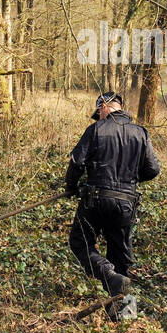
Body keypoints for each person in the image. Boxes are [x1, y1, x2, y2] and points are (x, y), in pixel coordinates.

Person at [65, 92, 160, 319]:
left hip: (95, 199)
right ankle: (125, 314)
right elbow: (153, 169)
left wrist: (71, 186)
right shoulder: (141, 133)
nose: (98, 117)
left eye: (98, 113)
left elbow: (77, 162)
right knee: (121, 255)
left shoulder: (96, 130)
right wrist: (130, 181)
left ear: (103, 108)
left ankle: (107, 273)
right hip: (126, 203)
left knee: (80, 242)